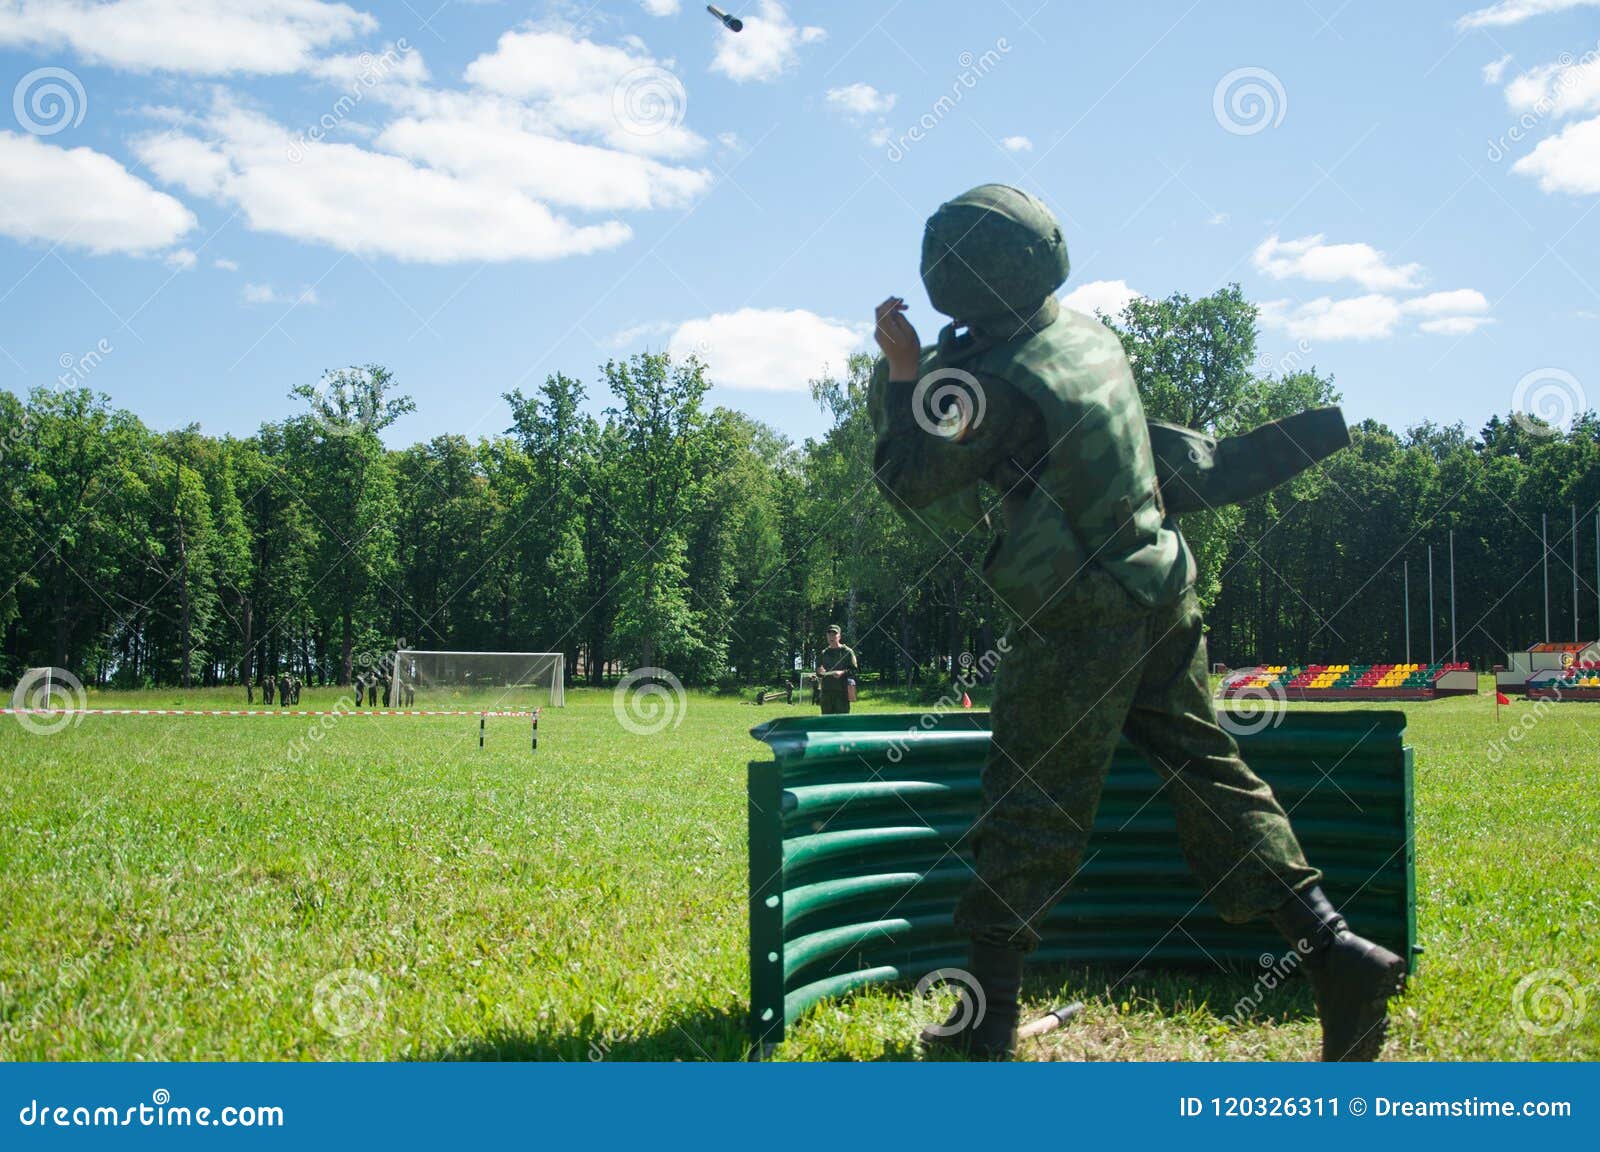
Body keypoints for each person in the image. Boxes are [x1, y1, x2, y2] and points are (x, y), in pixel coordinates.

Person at [868, 184, 1403, 1062]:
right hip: (1160, 586)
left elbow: (906, 481)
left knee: (1029, 803)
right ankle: (1335, 950)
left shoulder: (996, 387)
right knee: (1210, 777)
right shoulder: (1087, 335)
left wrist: (901, 374)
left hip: (1080, 611)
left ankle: (979, 1035)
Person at [815, 625, 857, 715]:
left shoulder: (847, 652)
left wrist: (842, 672)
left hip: (842, 693)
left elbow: (854, 671)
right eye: (829, 635)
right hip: (826, 694)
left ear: (839, 637)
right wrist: (819, 671)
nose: (831, 637)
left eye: (834, 635)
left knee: (842, 722)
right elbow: (818, 673)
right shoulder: (823, 653)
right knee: (826, 722)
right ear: (827, 637)